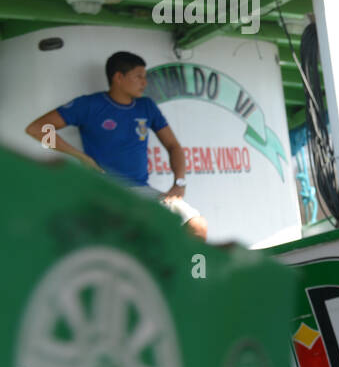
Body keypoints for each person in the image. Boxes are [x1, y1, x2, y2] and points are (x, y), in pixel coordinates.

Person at [24, 51, 208, 239]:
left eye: (144, 77)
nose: (144, 83)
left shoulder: (146, 106)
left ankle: (189, 269)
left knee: (197, 225)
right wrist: (81, 157)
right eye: (139, 77)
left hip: (141, 191)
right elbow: (36, 129)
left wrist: (179, 183)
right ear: (118, 77)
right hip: (103, 191)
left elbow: (173, 146)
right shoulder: (89, 105)